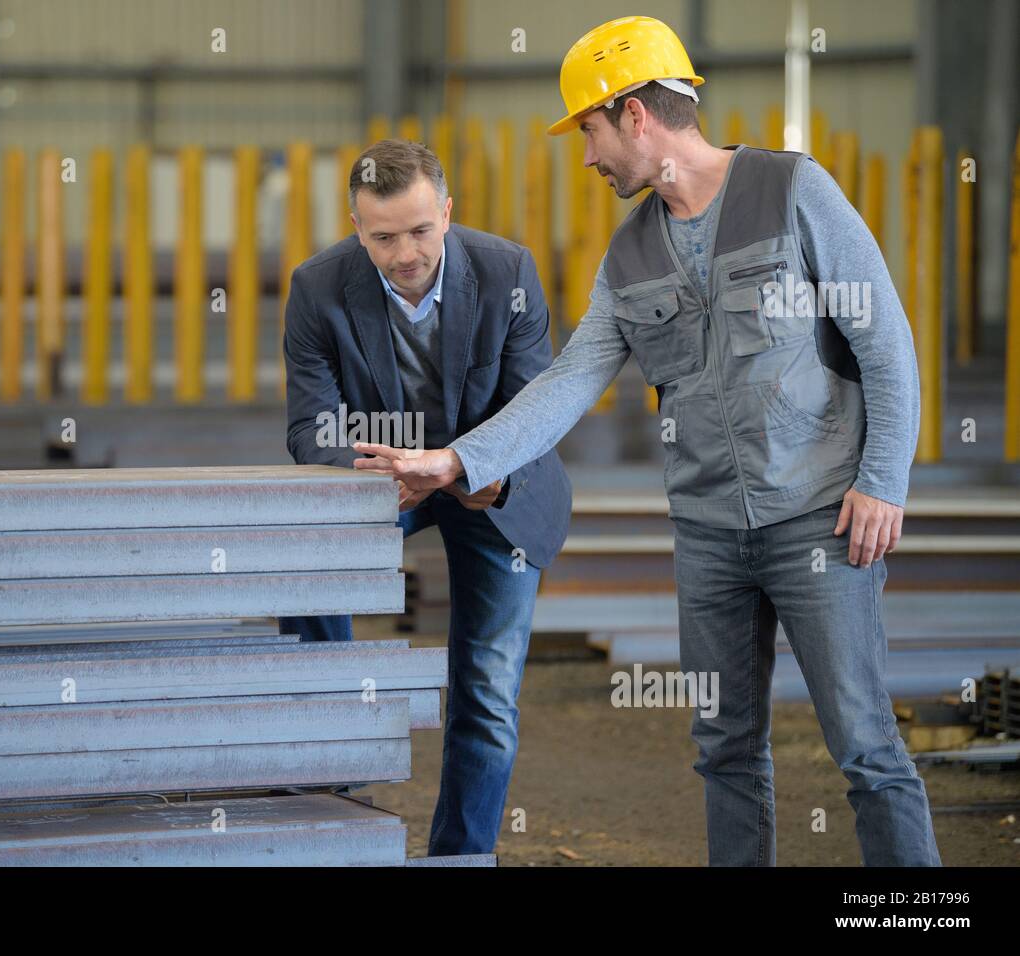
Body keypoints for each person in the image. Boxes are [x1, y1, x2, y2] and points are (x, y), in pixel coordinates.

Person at [354, 16, 941, 866]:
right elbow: (567, 383)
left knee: (865, 747)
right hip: (708, 535)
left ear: (634, 116)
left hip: (821, 520)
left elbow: (887, 344)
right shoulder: (629, 254)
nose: (587, 157)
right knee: (724, 749)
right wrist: (457, 461)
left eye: (589, 130)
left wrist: (883, 480)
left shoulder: (792, 189)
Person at [280, 138, 571, 856]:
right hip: (386, 474)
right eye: (382, 238)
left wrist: (465, 469)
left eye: (419, 231)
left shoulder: (509, 272)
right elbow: (309, 424)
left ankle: (461, 858)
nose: (405, 253)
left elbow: (533, 413)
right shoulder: (317, 287)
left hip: (491, 481)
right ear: (357, 228)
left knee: (487, 691)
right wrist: (377, 472)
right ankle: (336, 808)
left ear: (447, 210)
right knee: (301, 566)